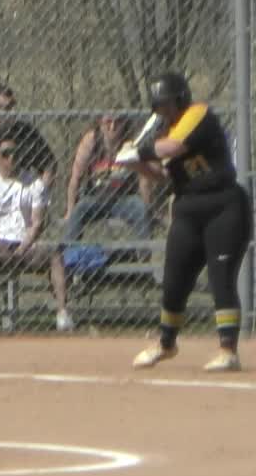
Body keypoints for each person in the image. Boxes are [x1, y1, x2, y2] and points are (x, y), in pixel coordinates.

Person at [117, 72, 251, 371]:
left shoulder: (197, 115)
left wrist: (139, 149)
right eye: (158, 106)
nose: (162, 110)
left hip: (224, 205)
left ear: (180, 99)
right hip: (188, 209)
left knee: (221, 278)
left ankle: (228, 350)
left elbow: (174, 148)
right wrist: (136, 163)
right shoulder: (167, 130)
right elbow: (164, 175)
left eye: (166, 104)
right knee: (175, 279)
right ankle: (166, 344)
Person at [0, 132, 74, 332]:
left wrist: (24, 246)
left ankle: (62, 313)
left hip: (27, 244)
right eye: (6, 153)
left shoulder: (34, 183)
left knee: (54, 255)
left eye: (16, 153)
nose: (12, 158)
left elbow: (37, 222)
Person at [63, 114, 154, 242]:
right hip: (95, 198)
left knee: (140, 208)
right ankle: (69, 254)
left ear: (124, 123)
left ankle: (144, 254)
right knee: (78, 210)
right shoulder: (92, 140)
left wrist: (147, 205)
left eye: (118, 122)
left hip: (124, 198)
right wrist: (70, 209)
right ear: (100, 122)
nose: (113, 127)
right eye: (108, 122)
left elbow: (144, 178)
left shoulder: (132, 142)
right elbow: (75, 178)